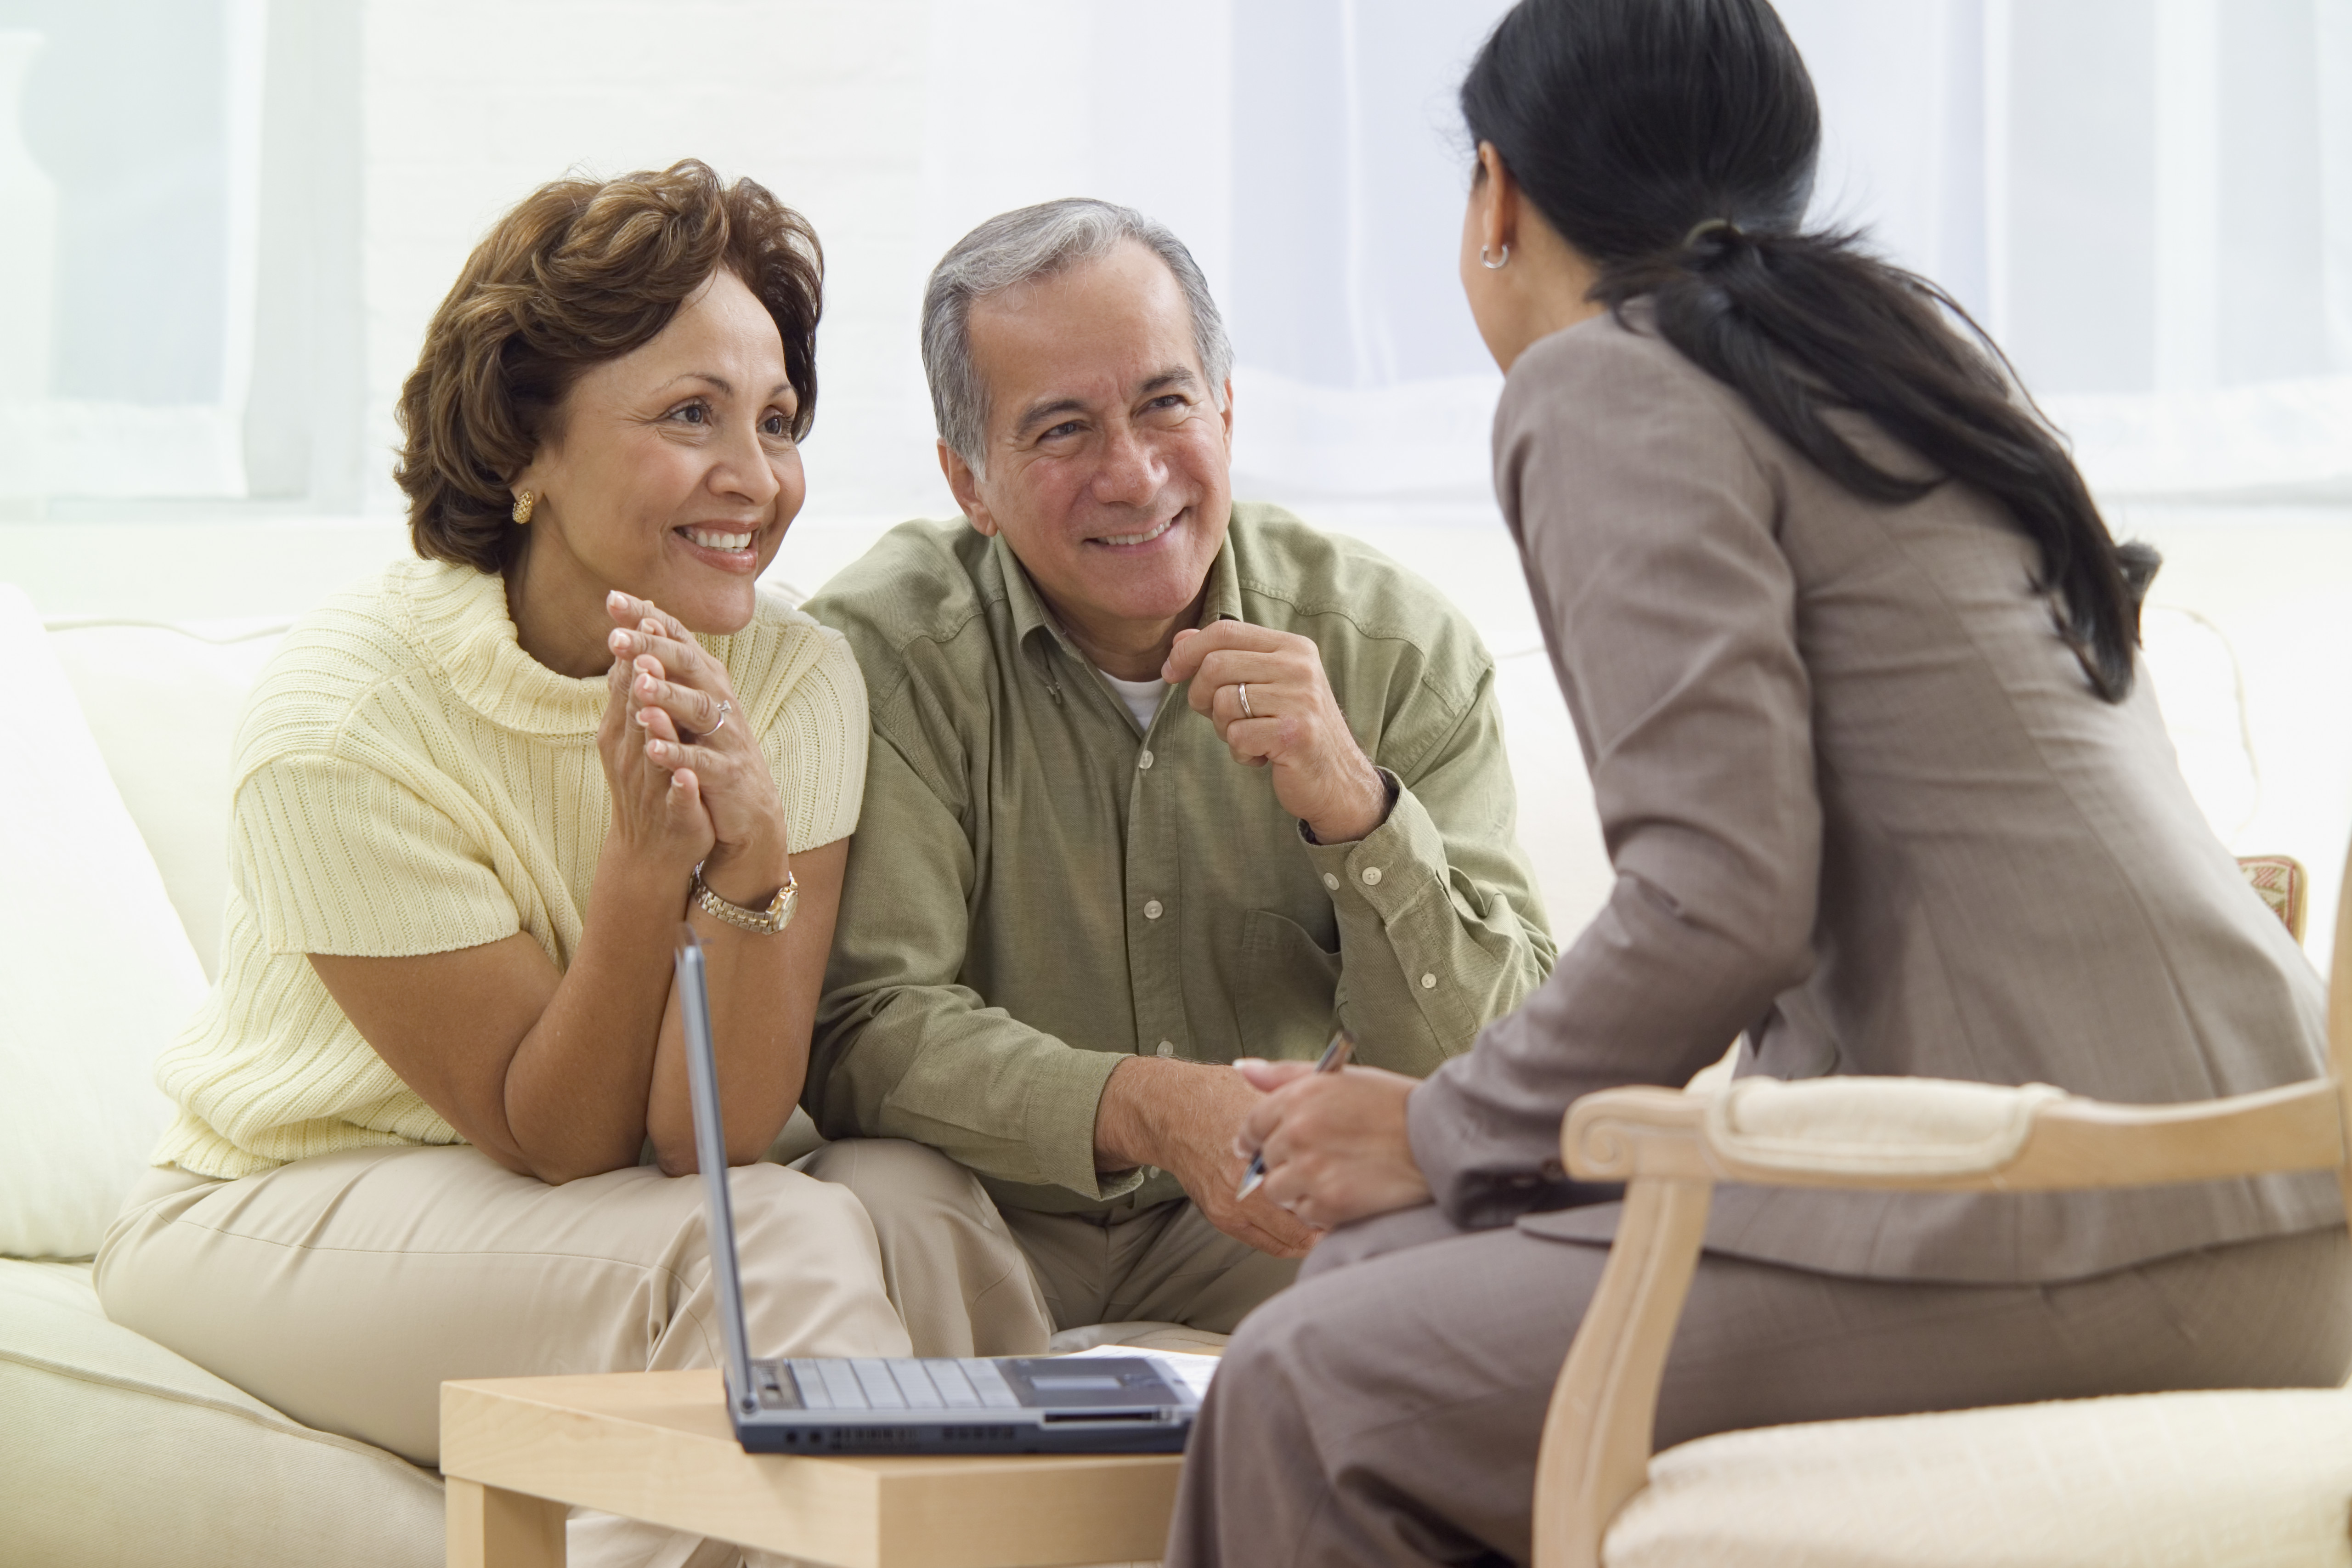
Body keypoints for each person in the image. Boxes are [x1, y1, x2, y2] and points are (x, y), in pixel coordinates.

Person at [1167, 1, 2352, 1562]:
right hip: (2260, 1199)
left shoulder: (1605, 380)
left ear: (1498, 196)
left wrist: (1448, 1125)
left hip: (2059, 1218)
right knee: (1359, 1291)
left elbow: (1721, 897)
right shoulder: (1911, 356)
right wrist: (1453, 1134)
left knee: (1306, 1384)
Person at [94, 161, 906, 1568]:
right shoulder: (343, 722)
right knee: (764, 1244)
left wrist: (754, 845)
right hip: (284, 1203)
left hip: (574, 1201)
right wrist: (649, 868)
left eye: (776, 419)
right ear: (524, 448)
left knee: (923, 1211)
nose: (758, 478)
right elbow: (560, 1134)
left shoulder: (794, 678)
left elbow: (703, 1131)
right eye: (688, 415)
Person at [797, 199, 1557, 1354]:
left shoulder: (1399, 652)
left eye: (1165, 403)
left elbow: (1501, 1058)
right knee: (877, 1195)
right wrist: (1146, 1108)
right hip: (986, 1215)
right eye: (1059, 431)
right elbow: (866, 1026)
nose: (1134, 472)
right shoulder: (884, 657)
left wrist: (1357, 811)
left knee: (1481, 1244)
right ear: (969, 485)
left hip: (1273, 1221)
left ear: (1227, 411)